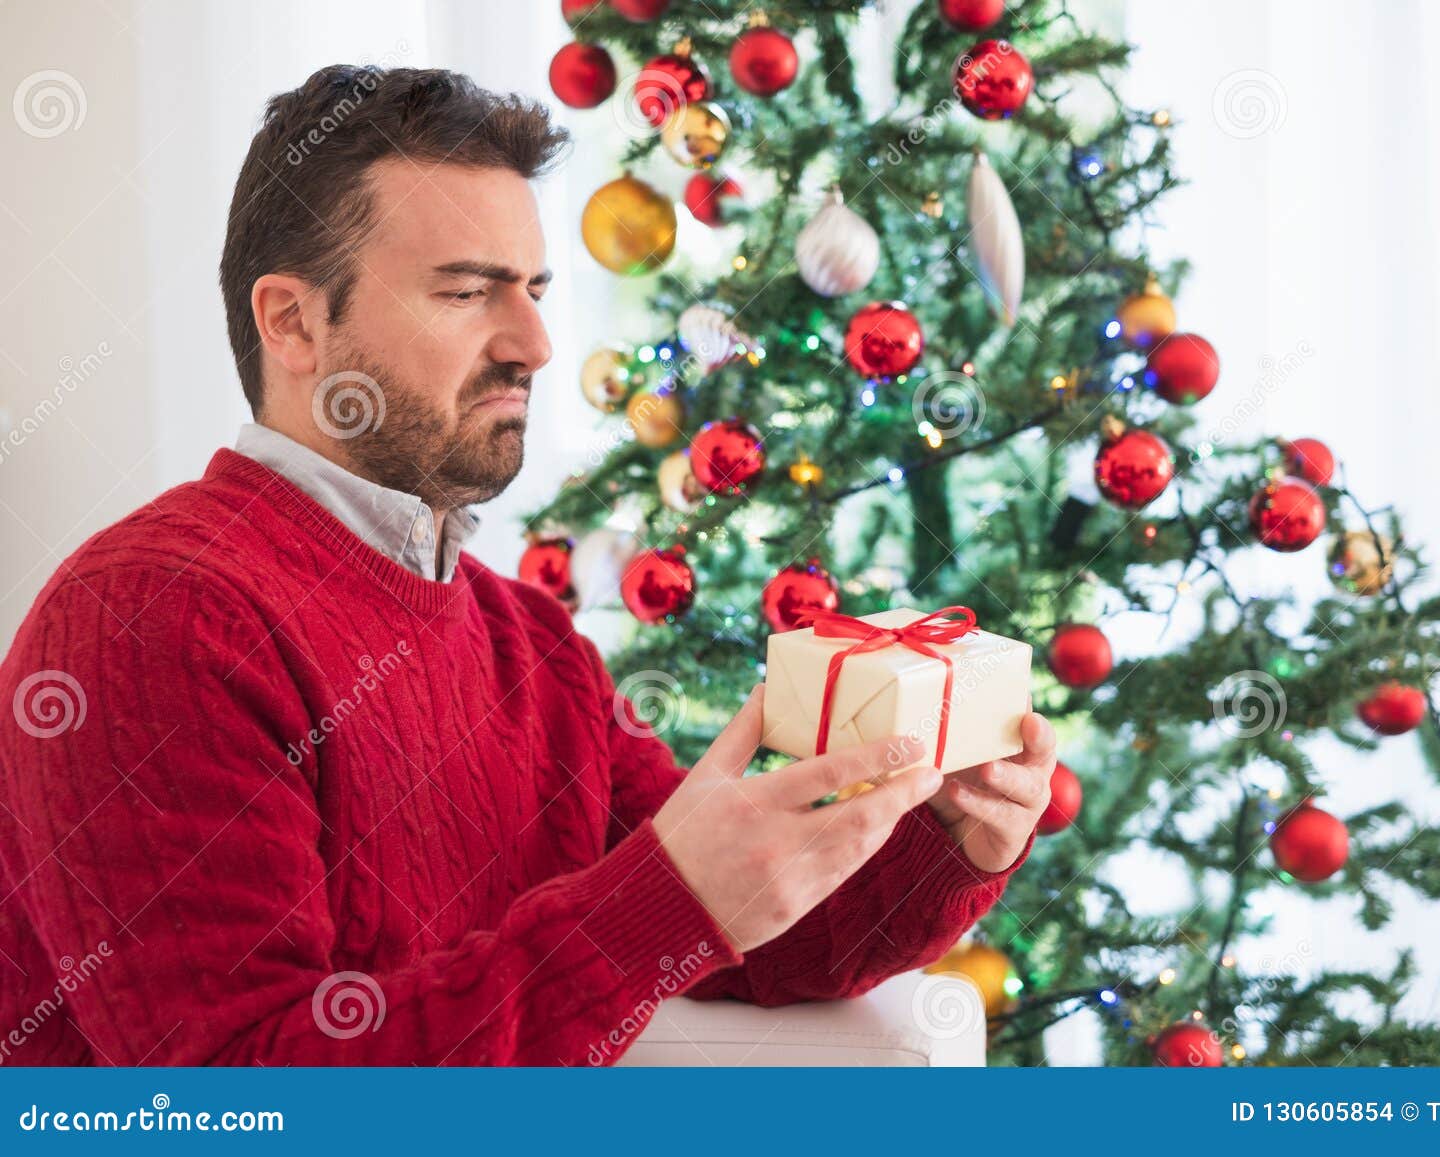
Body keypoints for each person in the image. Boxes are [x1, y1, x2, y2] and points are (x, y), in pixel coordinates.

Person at [0, 66, 1055, 1066]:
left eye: (536, 289)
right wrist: (662, 907)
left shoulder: (531, 641)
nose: (535, 344)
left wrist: (952, 839)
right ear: (293, 322)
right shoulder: (152, 616)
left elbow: (753, 943)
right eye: (469, 292)